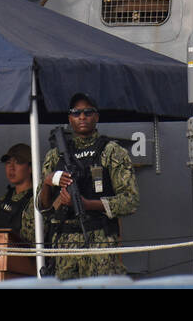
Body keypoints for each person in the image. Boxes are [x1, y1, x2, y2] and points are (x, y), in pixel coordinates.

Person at [36, 93, 138, 279]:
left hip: (100, 241)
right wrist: (47, 183)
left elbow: (130, 201)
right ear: (69, 118)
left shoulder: (112, 152)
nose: (82, 117)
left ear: (96, 117)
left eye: (87, 112)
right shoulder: (55, 156)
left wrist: (88, 204)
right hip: (64, 245)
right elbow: (43, 208)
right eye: (76, 113)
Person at [0, 143, 35, 246]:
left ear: (30, 168)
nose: (11, 167)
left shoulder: (36, 199)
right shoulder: (6, 197)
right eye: (8, 162)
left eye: (17, 162)